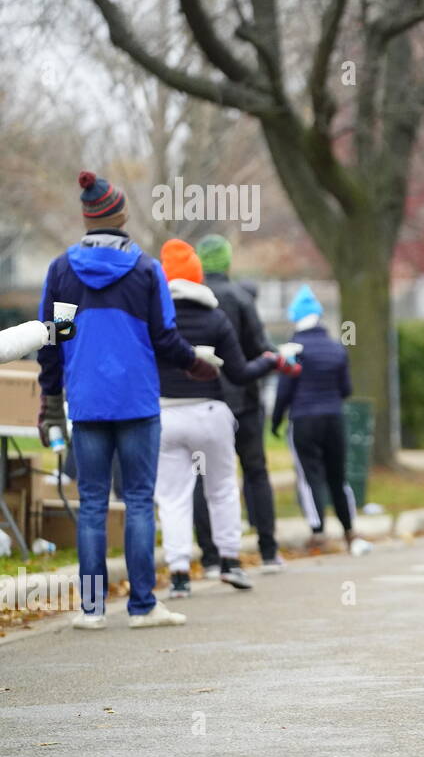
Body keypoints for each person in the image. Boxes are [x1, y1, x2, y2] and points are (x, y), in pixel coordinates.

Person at [36, 171, 217, 629]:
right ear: (120, 216)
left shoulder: (62, 271)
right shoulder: (145, 270)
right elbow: (165, 339)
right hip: (137, 402)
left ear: (86, 218)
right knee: (138, 500)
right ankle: (141, 607)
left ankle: (92, 609)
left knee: (92, 503)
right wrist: (196, 363)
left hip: (88, 402)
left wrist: (51, 403)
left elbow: (52, 342)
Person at [153, 240, 286, 599]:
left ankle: (180, 573)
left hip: (165, 414)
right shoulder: (215, 317)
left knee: (174, 497)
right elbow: (241, 372)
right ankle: (230, 561)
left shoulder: (155, 319)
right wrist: (272, 361)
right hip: (212, 413)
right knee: (223, 488)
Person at [190, 234, 284, 576]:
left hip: (201, 398)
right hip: (243, 400)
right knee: (255, 472)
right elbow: (261, 347)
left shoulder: (187, 301)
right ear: (228, 262)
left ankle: (211, 556)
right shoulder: (241, 299)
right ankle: (268, 550)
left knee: (202, 476)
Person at [271, 286, 361, 554]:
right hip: (333, 418)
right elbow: (347, 390)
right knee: (338, 476)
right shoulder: (336, 349)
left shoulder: (293, 349)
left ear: (296, 317)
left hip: (303, 419)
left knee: (309, 476)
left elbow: (284, 390)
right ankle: (350, 530)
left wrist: (276, 421)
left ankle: (318, 531)